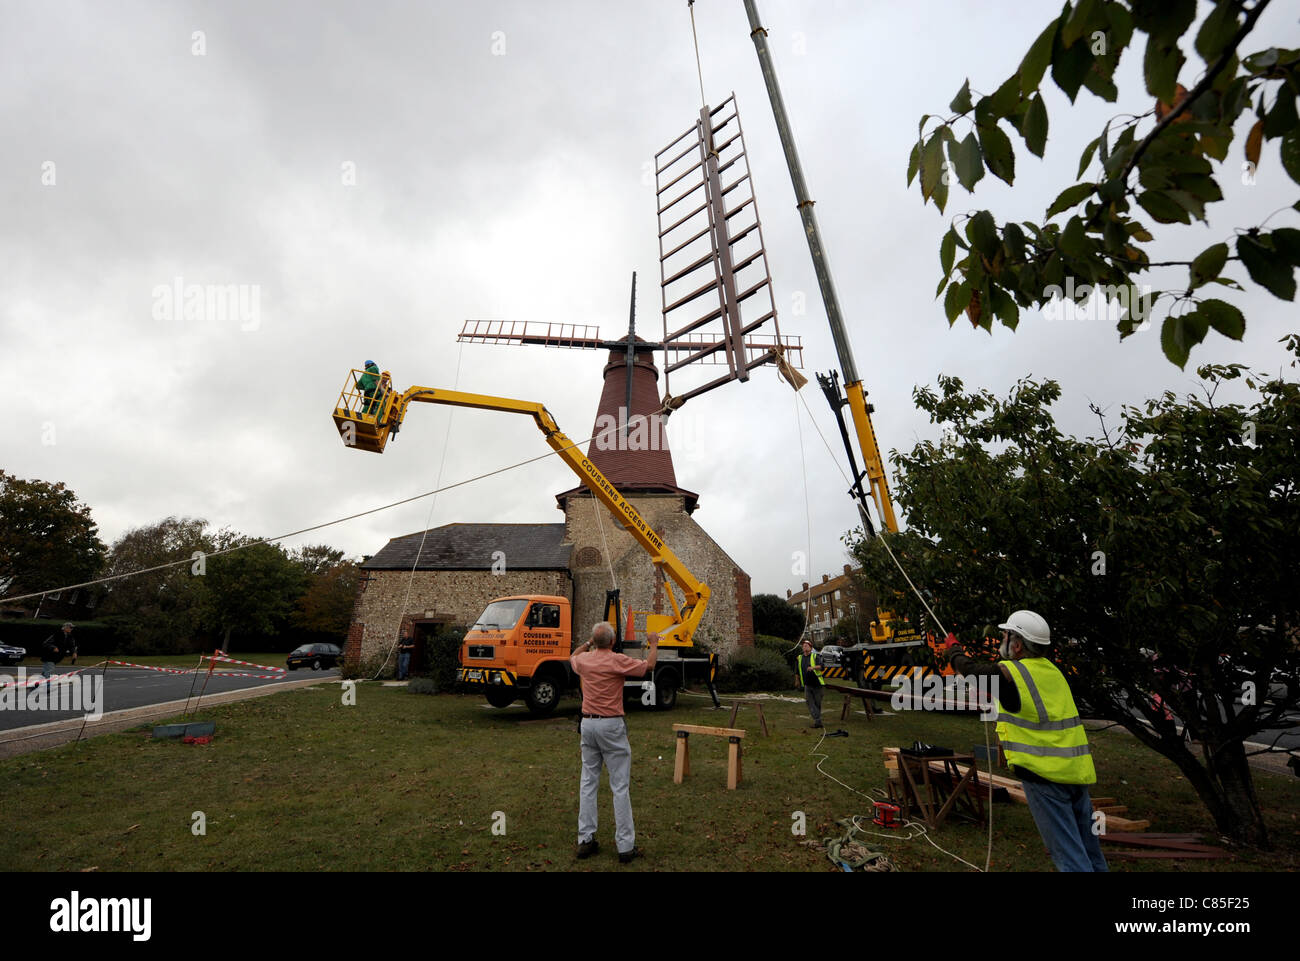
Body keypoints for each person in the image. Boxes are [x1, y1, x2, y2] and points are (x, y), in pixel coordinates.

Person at [941, 610, 1107, 872]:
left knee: (1069, 856)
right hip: (1077, 774)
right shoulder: (1052, 671)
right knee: (1090, 851)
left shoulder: (1012, 673)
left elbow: (970, 671)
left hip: (1044, 777)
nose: (1001, 640)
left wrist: (953, 650)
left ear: (1017, 644)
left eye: (1005, 635)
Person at [569, 622, 658, 864]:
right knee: (619, 786)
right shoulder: (617, 660)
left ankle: (585, 839)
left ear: (595, 641)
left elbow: (572, 657)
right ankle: (625, 847)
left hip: (588, 724)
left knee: (588, 782)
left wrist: (588, 642)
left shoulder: (585, 660)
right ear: (612, 641)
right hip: (611, 725)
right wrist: (654, 643)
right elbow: (649, 665)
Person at [796, 638, 825, 728]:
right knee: (809, 702)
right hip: (807, 684)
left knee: (817, 703)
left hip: (817, 684)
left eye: (807, 645)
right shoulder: (800, 658)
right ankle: (817, 719)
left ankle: (818, 722)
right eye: (803, 645)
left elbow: (821, 666)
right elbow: (797, 671)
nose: (804, 646)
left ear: (811, 648)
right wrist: (797, 680)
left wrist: (813, 668)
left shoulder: (815, 656)